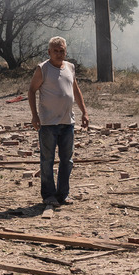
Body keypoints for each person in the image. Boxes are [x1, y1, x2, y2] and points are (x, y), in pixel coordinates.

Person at [27, 36, 89, 207]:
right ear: (49, 52)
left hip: (67, 122)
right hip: (48, 123)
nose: (59, 54)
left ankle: (63, 194)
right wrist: (34, 115)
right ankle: (48, 195)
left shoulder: (70, 67)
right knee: (47, 160)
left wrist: (84, 112)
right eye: (56, 51)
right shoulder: (43, 69)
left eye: (62, 51)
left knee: (66, 160)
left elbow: (76, 90)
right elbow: (31, 91)